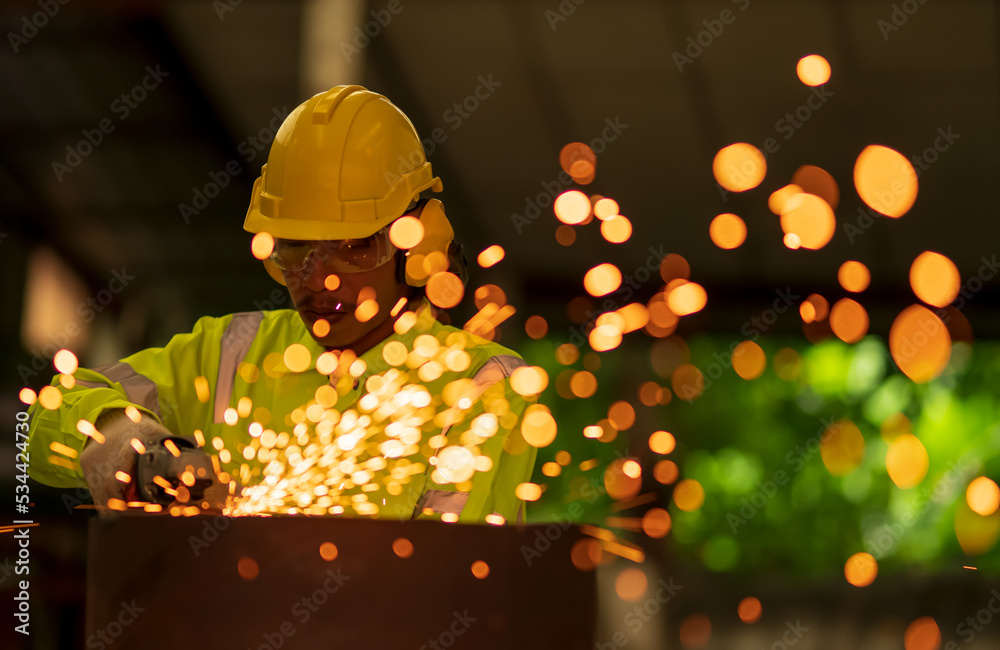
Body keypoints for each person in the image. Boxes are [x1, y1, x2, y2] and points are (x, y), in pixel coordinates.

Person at [26, 85, 537, 523]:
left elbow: (444, 586)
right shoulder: (229, 353)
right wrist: (124, 440)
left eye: (355, 247)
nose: (317, 280)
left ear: (420, 243)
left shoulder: (480, 388)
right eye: (293, 249)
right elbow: (43, 421)